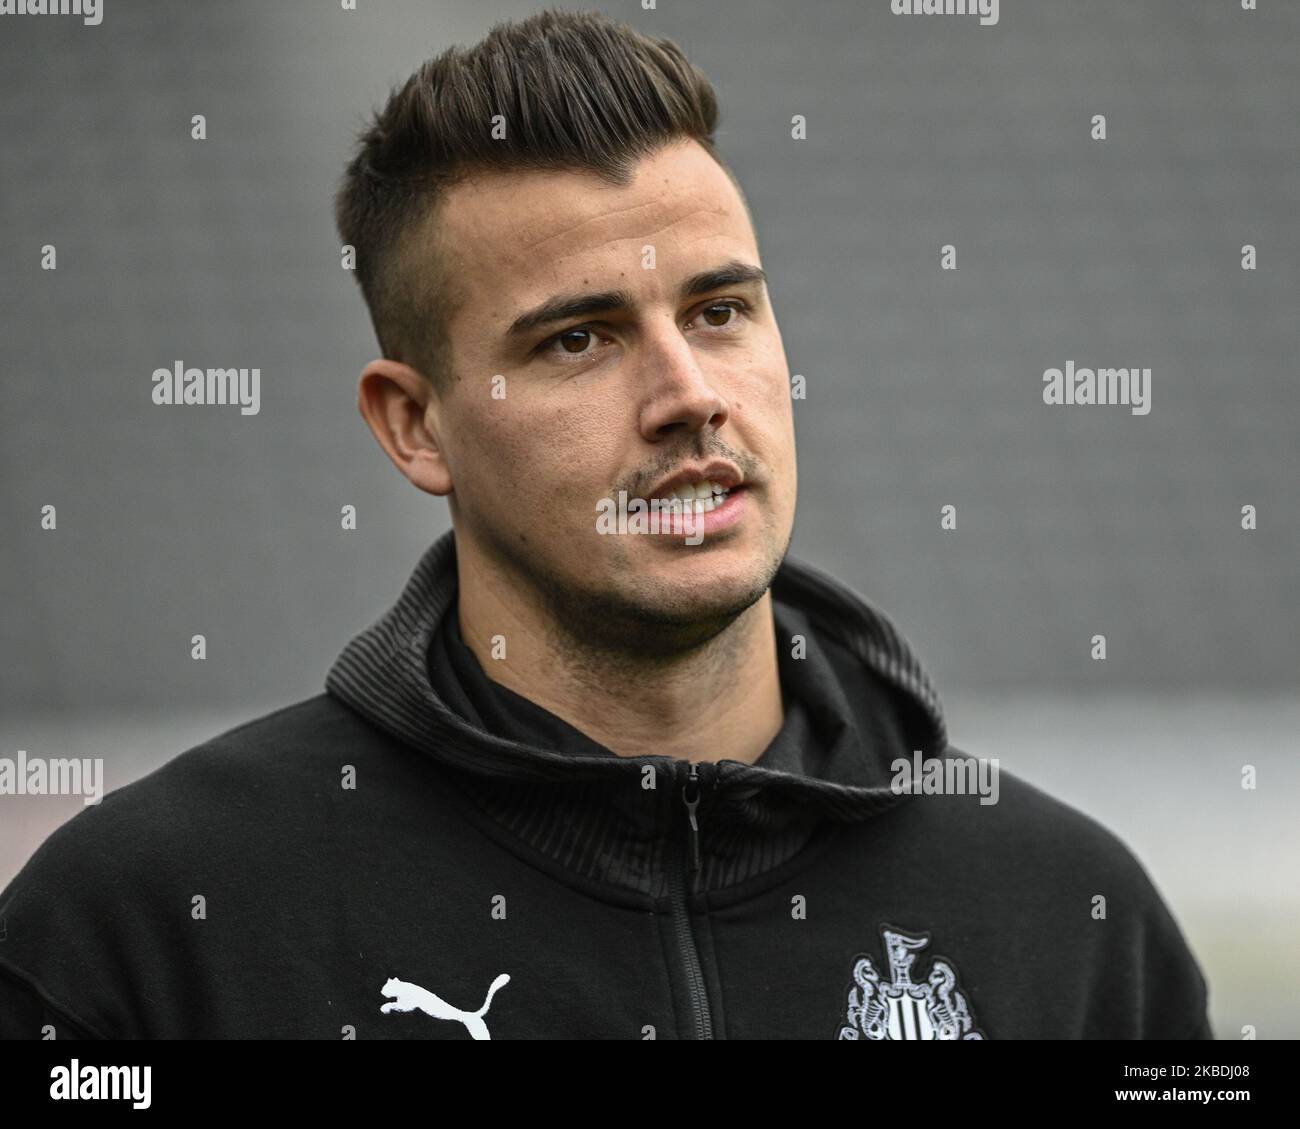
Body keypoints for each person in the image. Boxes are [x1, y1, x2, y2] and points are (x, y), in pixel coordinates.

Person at [0, 8, 1209, 1040]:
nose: (689, 393)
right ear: (414, 425)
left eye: (721, 310)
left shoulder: (1074, 920)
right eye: (578, 338)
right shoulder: (144, 932)